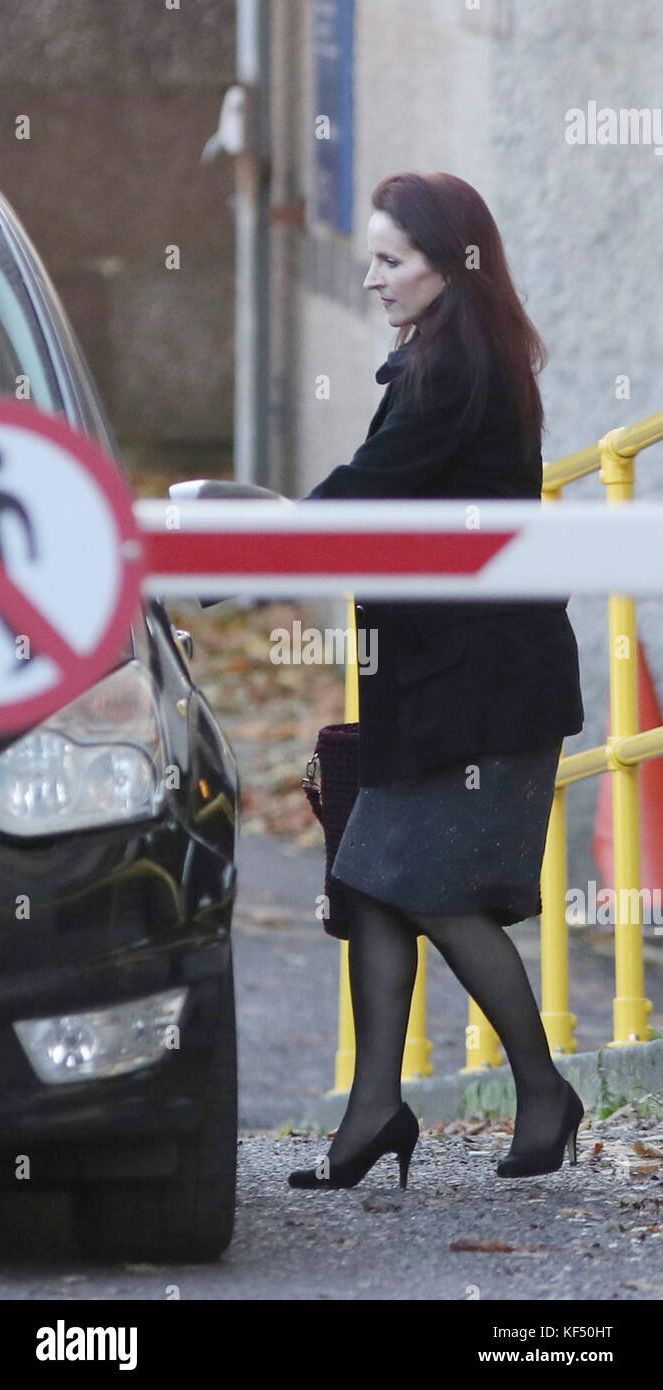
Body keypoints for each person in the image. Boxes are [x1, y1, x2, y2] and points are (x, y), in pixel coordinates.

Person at [288, 171, 585, 1190]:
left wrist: (250, 535)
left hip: (484, 693)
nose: (370, 277)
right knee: (374, 883)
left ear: (448, 265)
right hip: (444, 685)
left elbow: (362, 501)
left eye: (388, 260)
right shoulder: (451, 354)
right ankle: (374, 1109)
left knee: (433, 893)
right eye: (368, 257)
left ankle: (542, 1088)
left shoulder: (451, 371)